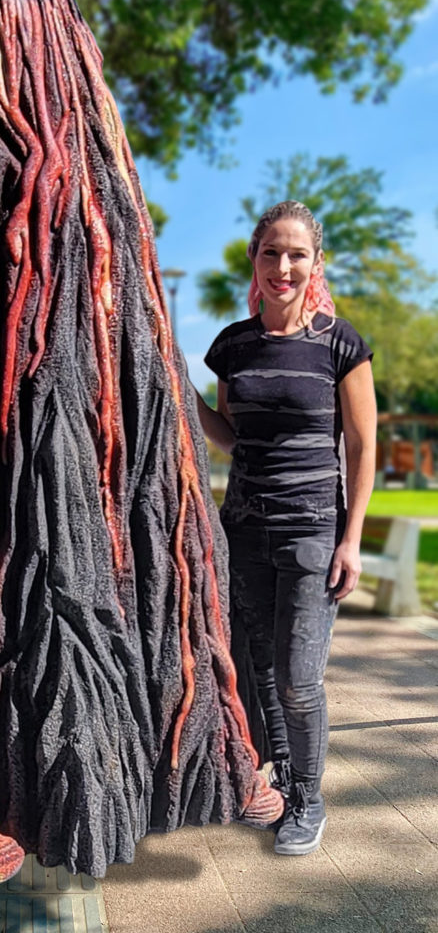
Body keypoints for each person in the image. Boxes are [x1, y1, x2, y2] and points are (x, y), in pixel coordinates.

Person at [195, 200, 376, 856]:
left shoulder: (339, 343)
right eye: (272, 252)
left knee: (301, 680)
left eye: (297, 253)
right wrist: (186, 396)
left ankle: (309, 800)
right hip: (244, 530)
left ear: (315, 263)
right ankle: (273, 782)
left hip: (311, 536)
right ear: (256, 260)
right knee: (263, 673)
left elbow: (362, 446)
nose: (284, 266)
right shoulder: (233, 345)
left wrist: (351, 539)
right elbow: (228, 435)